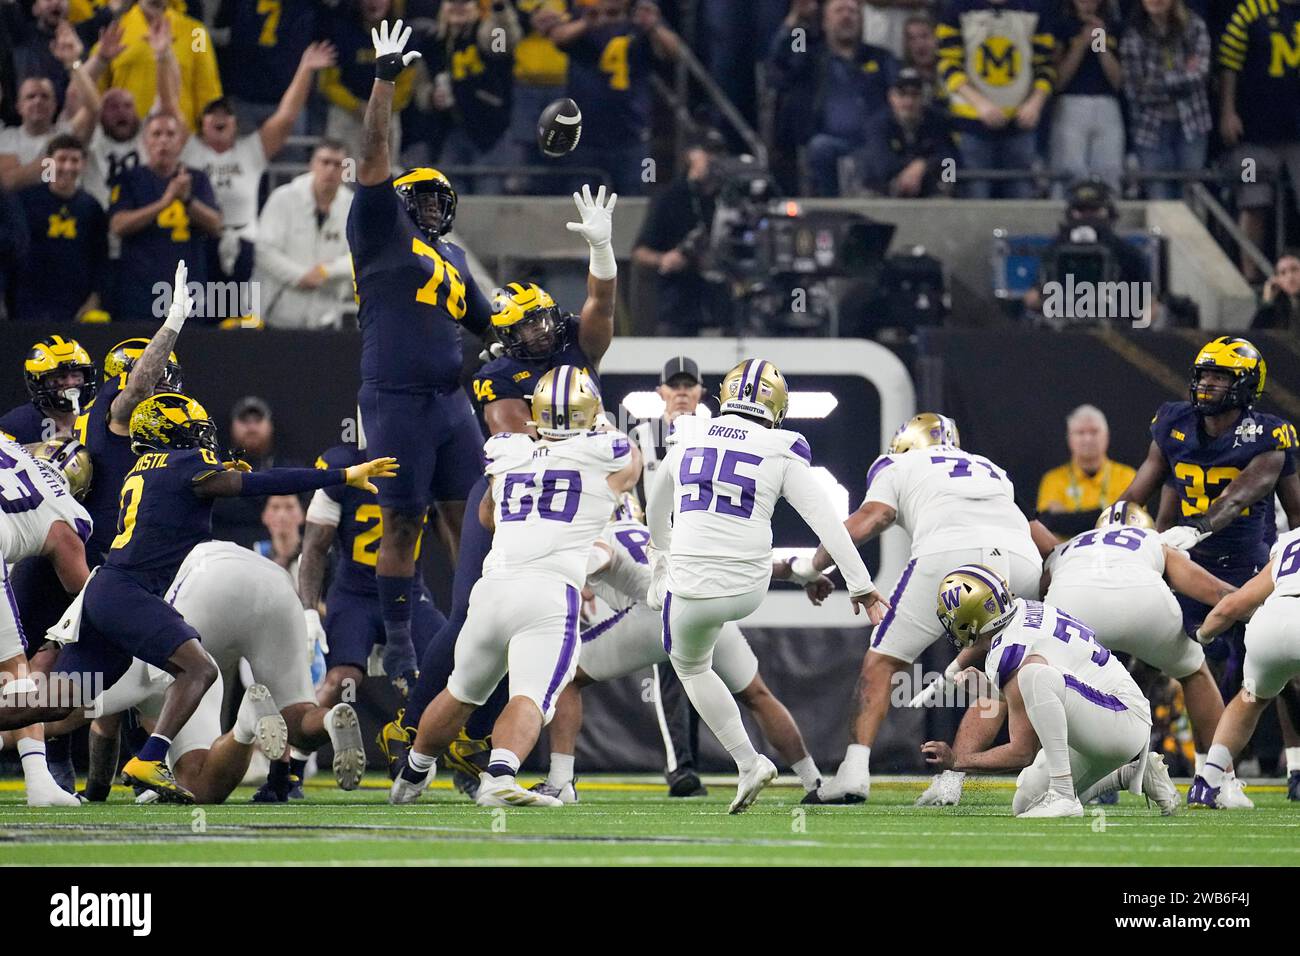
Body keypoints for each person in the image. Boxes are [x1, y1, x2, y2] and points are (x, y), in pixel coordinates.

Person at [28, 387, 396, 802]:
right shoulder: (188, 464)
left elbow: (103, 724)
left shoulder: (142, 469)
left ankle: (182, 745)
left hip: (149, 592)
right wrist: (342, 475)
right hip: (223, 586)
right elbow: (263, 483)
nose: (201, 439)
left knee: (61, 704)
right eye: (192, 431)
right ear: (172, 434)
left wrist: (95, 793)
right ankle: (171, 751)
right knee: (221, 682)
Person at [386, 183, 620, 786]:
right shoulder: (497, 376)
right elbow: (526, 437)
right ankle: (413, 729)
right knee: (472, 614)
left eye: (544, 320)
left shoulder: (570, 340)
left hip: (572, 502)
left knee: (516, 631)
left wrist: (602, 252)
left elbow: (602, 305)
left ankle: (473, 742)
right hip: (517, 504)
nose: (543, 335)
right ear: (505, 337)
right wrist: (597, 441)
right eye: (528, 328)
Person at [391, 366, 641, 808]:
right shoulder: (608, 451)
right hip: (546, 594)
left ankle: (411, 775)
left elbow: (487, 516)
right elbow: (631, 470)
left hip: (491, 590)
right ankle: (499, 778)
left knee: (462, 691)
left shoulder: (507, 451)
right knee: (530, 694)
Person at [646, 359, 889, 813]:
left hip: (691, 588)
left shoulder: (688, 437)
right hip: (749, 586)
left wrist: (662, 558)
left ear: (724, 395)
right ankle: (782, 771)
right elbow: (829, 526)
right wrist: (860, 586)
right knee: (729, 661)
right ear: (775, 406)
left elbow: (657, 510)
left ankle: (747, 761)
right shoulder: (780, 447)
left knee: (691, 669)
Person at [790, 413, 1045, 805]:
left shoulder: (897, 463)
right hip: (1020, 558)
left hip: (948, 553)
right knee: (997, 673)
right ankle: (952, 782)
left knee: (883, 662)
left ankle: (853, 774)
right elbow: (1040, 536)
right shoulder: (991, 469)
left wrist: (812, 566)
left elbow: (873, 517)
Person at [348, 18, 493, 696]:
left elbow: (489, 326)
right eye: (422, 195)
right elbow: (374, 150)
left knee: (472, 514)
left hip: (449, 400)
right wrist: (384, 79)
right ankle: (400, 642)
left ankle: (475, 623)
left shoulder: (457, 259)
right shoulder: (379, 230)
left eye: (442, 197)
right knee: (402, 517)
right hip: (397, 395)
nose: (432, 206)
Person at [534, 496, 830, 802]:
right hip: (704, 606)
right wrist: (797, 573)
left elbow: (599, 556)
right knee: (757, 695)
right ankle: (813, 781)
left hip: (654, 616)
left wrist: (562, 575)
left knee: (567, 675)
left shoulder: (596, 536)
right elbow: (729, 564)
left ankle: (560, 781)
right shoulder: (661, 534)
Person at [1119, 336, 1300, 786]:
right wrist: (1114, 531)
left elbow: (1242, 494)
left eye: (1220, 377)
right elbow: (1141, 490)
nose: (1208, 385)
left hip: (1248, 568)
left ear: (1245, 386)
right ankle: (1117, 762)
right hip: (1186, 563)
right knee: (1140, 660)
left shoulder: (1268, 434)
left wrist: (1197, 526)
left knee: (1283, 666)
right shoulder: (1173, 422)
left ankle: (1296, 764)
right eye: (1205, 375)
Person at [921, 564, 1179, 817]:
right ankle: (1133, 774)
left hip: (1121, 720)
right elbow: (1048, 694)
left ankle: (1063, 794)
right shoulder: (1024, 611)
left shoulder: (1009, 650)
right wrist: (990, 691)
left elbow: (1021, 752)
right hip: (1101, 717)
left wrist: (958, 762)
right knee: (1025, 803)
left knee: (1034, 674)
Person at [1042, 501, 1244, 803]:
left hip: (1071, 603)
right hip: (1144, 604)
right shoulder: (1153, 540)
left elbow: (1040, 588)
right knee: (1193, 673)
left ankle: (1077, 778)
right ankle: (1220, 782)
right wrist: (1259, 606)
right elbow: (1213, 591)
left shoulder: (1069, 546)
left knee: (1060, 684)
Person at [297, 439, 447, 801]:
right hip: (355, 597)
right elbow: (314, 547)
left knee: (453, 670)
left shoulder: (427, 463)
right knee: (340, 681)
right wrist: (308, 610)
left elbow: (458, 532)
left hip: (409, 594)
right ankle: (292, 767)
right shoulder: (343, 466)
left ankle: (451, 757)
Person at [178, 40, 336, 289]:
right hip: (197, 240)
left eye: (226, 114)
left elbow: (286, 118)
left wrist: (305, 69)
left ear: (236, 124)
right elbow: (169, 107)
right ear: (202, 125)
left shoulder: (249, 150)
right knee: (200, 316)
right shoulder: (191, 149)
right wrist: (164, 56)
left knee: (241, 317)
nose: (220, 118)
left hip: (245, 243)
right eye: (213, 114)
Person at [628, 354, 711, 796]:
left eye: (688, 385)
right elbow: (621, 493)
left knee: (718, 667)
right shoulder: (640, 437)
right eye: (673, 386)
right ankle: (681, 766)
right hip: (662, 563)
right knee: (671, 663)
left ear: (700, 391)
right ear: (660, 392)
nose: (681, 392)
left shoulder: (716, 433)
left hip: (710, 561)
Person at [0, 435, 91, 806]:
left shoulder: (8, 444)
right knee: (16, 677)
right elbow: (84, 592)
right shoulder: (68, 511)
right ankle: (39, 780)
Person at [1188, 525, 1300, 807]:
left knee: (1249, 699)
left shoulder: (1290, 541)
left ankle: (1207, 782)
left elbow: (1238, 602)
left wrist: (1203, 635)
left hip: (1271, 621)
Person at [545, 0, 681, 196]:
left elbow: (675, 52)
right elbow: (558, 37)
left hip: (632, 132)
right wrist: (588, 23)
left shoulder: (640, 18)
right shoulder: (583, 14)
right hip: (585, 134)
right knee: (581, 207)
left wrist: (654, 27)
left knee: (635, 201)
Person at [765, 0, 897, 196]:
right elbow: (781, 66)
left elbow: (899, 94)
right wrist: (796, 19)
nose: (846, 16)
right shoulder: (809, 55)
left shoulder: (880, 57)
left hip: (874, 142)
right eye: (839, 11)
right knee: (820, 148)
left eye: (852, 11)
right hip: (826, 142)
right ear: (825, 21)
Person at [108, 112, 222, 324]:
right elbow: (118, 225)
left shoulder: (196, 179)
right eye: (156, 134)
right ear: (145, 141)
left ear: (180, 142)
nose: (163, 140)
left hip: (188, 290)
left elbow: (216, 225)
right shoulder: (129, 179)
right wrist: (165, 202)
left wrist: (187, 199)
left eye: (170, 134)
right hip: (140, 290)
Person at [936, 0, 1055, 199]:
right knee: (975, 198)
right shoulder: (957, 8)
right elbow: (947, 62)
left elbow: (1045, 64)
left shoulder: (1035, 8)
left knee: (1021, 200)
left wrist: (1035, 103)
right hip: (971, 124)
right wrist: (979, 103)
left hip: (1021, 123)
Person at [1217, 0, 1300, 283]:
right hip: (1253, 134)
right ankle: (1249, 277)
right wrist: (1228, 111)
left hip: (1296, 135)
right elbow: (1229, 64)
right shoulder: (1251, 10)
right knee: (1253, 198)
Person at [631, 133, 732, 335]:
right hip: (680, 303)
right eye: (708, 154)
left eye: (718, 155)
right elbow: (639, 252)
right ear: (692, 156)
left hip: (722, 301)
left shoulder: (729, 197)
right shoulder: (670, 197)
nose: (713, 161)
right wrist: (665, 259)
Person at [420, 0, 520, 195]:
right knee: (447, 201)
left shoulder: (484, 33)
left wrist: (499, 10)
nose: (458, 7)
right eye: (453, 2)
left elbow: (503, 43)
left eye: (465, 2)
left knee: (488, 200)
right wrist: (431, 96)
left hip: (489, 133)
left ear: (477, 7)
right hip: (447, 134)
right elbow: (420, 86)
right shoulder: (434, 41)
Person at [254, 139, 356, 330]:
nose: (330, 169)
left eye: (338, 164)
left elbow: (360, 256)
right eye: (324, 162)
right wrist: (300, 276)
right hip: (276, 313)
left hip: (326, 317)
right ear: (312, 164)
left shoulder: (351, 206)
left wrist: (327, 271)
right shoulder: (283, 198)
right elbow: (264, 250)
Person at [1119, 0, 1211, 200]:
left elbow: (1201, 75)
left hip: (1192, 125)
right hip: (1150, 130)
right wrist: (1181, 76)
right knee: (1159, 200)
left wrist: (1156, 82)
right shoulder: (1133, 35)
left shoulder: (1195, 26)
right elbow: (1135, 90)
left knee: (1192, 198)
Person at [12, 134, 107, 324]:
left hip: (75, 303)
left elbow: (100, 258)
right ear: (49, 163)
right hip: (29, 301)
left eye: (74, 160)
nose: (68, 167)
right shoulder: (26, 201)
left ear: (84, 164)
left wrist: (94, 298)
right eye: (62, 159)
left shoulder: (92, 207)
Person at [90, 0, 221, 132]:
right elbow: (95, 96)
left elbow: (208, 91)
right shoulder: (114, 33)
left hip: (180, 136)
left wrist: (210, 136)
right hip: (127, 137)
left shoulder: (196, 33)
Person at [318, 0, 418, 164]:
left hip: (387, 113)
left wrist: (380, 108)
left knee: (383, 170)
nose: (374, 3)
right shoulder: (340, 31)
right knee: (346, 172)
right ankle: (345, 187)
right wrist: (356, 106)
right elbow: (327, 83)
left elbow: (406, 86)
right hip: (347, 114)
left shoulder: (403, 34)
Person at [1049, 0, 1124, 193]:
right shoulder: (1062, 25)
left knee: (1108, 174)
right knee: (1069, 174)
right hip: (1070, 104)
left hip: (1107, 104)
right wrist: (1081, 43)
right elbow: (1058, 81)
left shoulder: (1114, 26)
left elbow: (1118, 82)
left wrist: (1100, 44)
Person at [213, 0, 322, 133]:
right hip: (242, 97)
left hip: (289, 99)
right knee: (243, 151)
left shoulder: (307, 7)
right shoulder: (240, 4)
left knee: (291, 149)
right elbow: (223, 41)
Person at [210, 396, 303, 549]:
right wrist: (266, 496)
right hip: (228, 548)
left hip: (281, 551)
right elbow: (216, 505)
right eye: (244, 421)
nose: (251, 428)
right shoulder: (217, 467)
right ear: (232, 426)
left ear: (270, 425)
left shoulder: (288, 466)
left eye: (257, 420)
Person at [1035, 403, 1138, 540]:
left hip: (1114, 554)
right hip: (1069, 556)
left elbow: (1133, 524)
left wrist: (1069, 520)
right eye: (1080, 433)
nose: (1088, 439)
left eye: (1094, 432)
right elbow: (1048, 524)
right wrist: (1106, 516)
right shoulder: (1053, 479)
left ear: (1106, 436)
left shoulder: (1127, 476)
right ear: (1069, 438)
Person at [851, 66, 957, 197]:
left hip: (929, 190)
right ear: (891, 97)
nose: (908, 102)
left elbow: (950, 158)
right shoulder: (877, 124)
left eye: (915, 94)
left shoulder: (936, 121)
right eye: (902, 94)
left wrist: (923, 165)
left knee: (949, 175)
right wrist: (914, 167)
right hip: (885, 192)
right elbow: (883, 165)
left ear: (923, 97)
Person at [0, 72, 95, 190]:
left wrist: (73, 64)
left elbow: (94, 109)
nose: (38, 101)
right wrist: (52, 160)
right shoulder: (7, 137)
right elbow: (9, 181)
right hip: (25, 205)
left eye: (45, 96)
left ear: (54, 106)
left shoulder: (67, 131)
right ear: (19, 106)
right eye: (31, 96)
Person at [0, 335, 97, 445]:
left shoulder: (101, 416)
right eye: (61, 377)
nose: (71, 383)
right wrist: (36, 451)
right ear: (38, 383)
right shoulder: (16, 424)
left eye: (76, 375)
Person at [1251, 250, 1300, 331]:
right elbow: (1256, 335)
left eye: (1294, 269)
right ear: (1277, 279)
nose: (1290, 277)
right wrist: (1268, 301)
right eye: (1283, 273)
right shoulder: (1279, 307)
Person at [254, 494, 304, 571]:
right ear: (264, 516)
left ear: (302, 514)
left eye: (289, 507)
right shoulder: (256, 556)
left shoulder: (313, 554)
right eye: (275, 507)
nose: (282, 515)